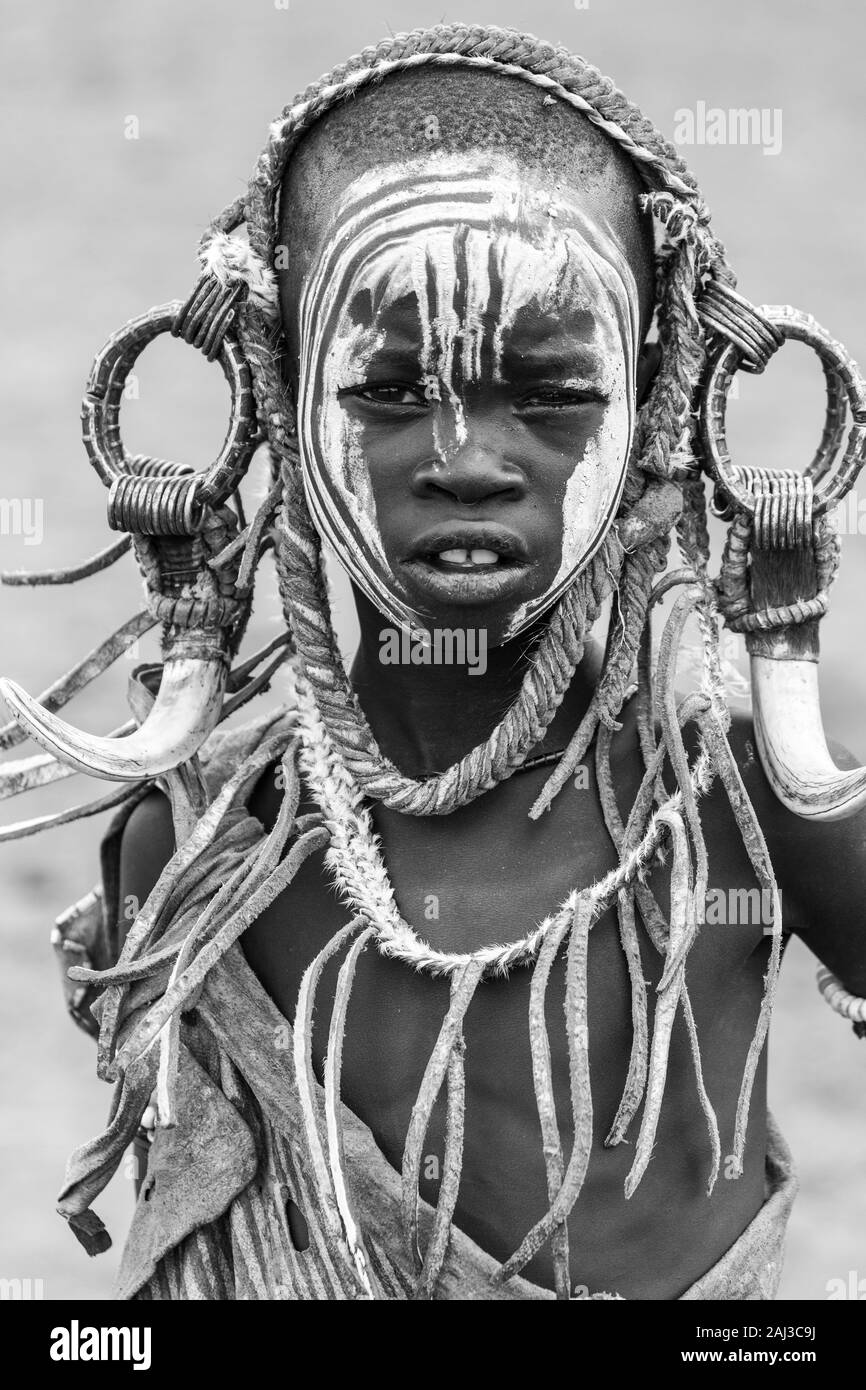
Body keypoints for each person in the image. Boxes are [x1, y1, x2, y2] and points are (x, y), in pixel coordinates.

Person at [4, 23, 865, 1301]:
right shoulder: (205, 852)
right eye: (391, 393)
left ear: (661, 408)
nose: (466, 457)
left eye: (554, 396)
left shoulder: (729, 809)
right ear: (273, 394)